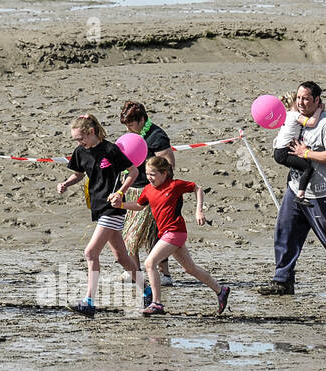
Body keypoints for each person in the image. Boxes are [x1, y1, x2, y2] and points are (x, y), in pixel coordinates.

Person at [260, 81, 326, 296]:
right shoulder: (299, 119)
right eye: (298, 98)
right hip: (295, 189)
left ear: (317, 100)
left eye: (306, 99)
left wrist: (307, 154)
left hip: (321, 194)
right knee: (285, 233)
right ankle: (282, 280)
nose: (301, 102)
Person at [110, 156, 229, 316]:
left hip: (176, 231)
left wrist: (199, 210)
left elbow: (197, 188)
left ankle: (156, 303)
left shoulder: (174, 185)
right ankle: (220, 290)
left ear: (164, 173)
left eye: (152, 174)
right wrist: (122, 205)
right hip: (165, 233)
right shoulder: (148, 189)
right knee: (190, 268)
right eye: (147, 174)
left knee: (149, 263)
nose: (149, 178)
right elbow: (139, 205)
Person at [58, 113, 141, 318]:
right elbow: (78, 174)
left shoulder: (110, 150)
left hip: (112, 208)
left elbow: (133, 172)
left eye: (81, 138)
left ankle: (89, 302)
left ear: (92, 132)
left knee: (90, 253)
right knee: (121, 257)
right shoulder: (80, 152)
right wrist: (66, 183)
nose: (79, 142)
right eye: (76, 140)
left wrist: (120, 192)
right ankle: (147, 291)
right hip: (97, 207)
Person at [118, 101, 176, 286]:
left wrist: (159, 190)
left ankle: (164, 274)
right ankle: (134, 271)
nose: (129, 129)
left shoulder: (156, 136)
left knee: (150, 234)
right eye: (127, 126)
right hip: (133, 189)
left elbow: (169, 165)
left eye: (132, 125)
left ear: (142, 120)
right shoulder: (132, 136)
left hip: (151, 192)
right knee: (131, 233)